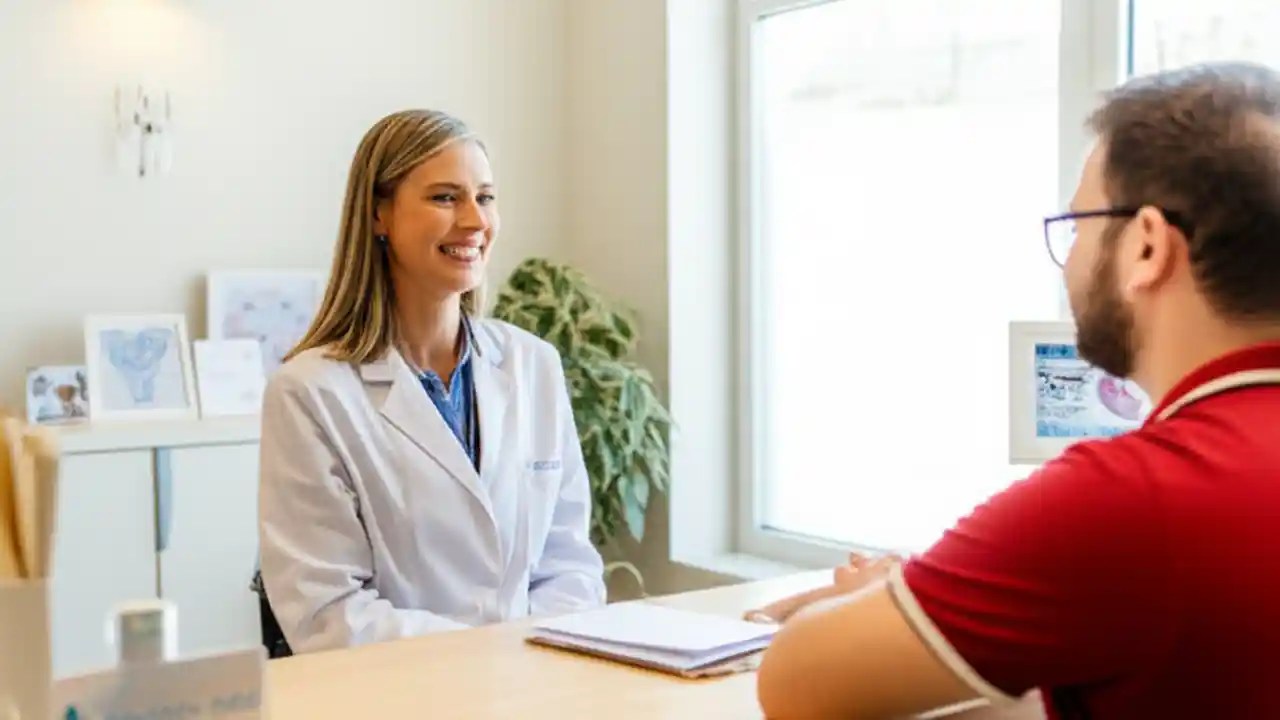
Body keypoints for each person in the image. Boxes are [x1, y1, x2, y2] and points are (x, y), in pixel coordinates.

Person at [752, 62, 1280, 719]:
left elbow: (799, 685)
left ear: (1147, 246)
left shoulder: (1131, 499)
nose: (1073, 257)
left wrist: (881, 602)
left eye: (1081, 224)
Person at [257, 109, 606, 654]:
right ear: (379, 215)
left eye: (485, 198)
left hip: (533, 689)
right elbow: (328, 612)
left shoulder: (532, 363)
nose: (474, 221)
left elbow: (570, 564)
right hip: (398, 697)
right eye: (445, 198)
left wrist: (532, 662)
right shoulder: (311, 392)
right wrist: (489, 658)